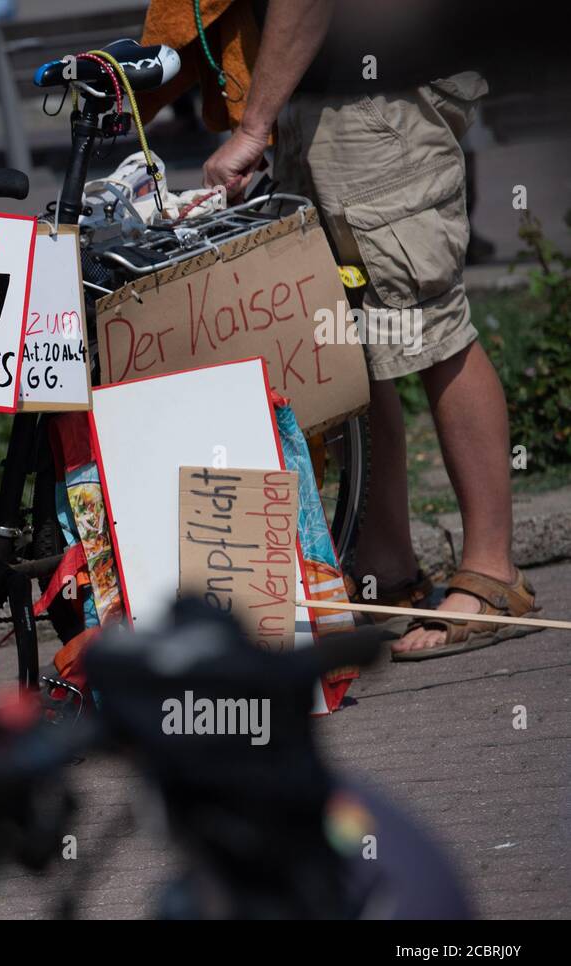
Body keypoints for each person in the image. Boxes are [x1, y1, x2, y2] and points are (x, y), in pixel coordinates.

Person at [199, 0, 540, 659]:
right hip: (330, 90)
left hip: (378, 100)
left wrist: (254, 124)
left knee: (430, 327)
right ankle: (389, 565)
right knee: (354, 335)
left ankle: (495, 573)